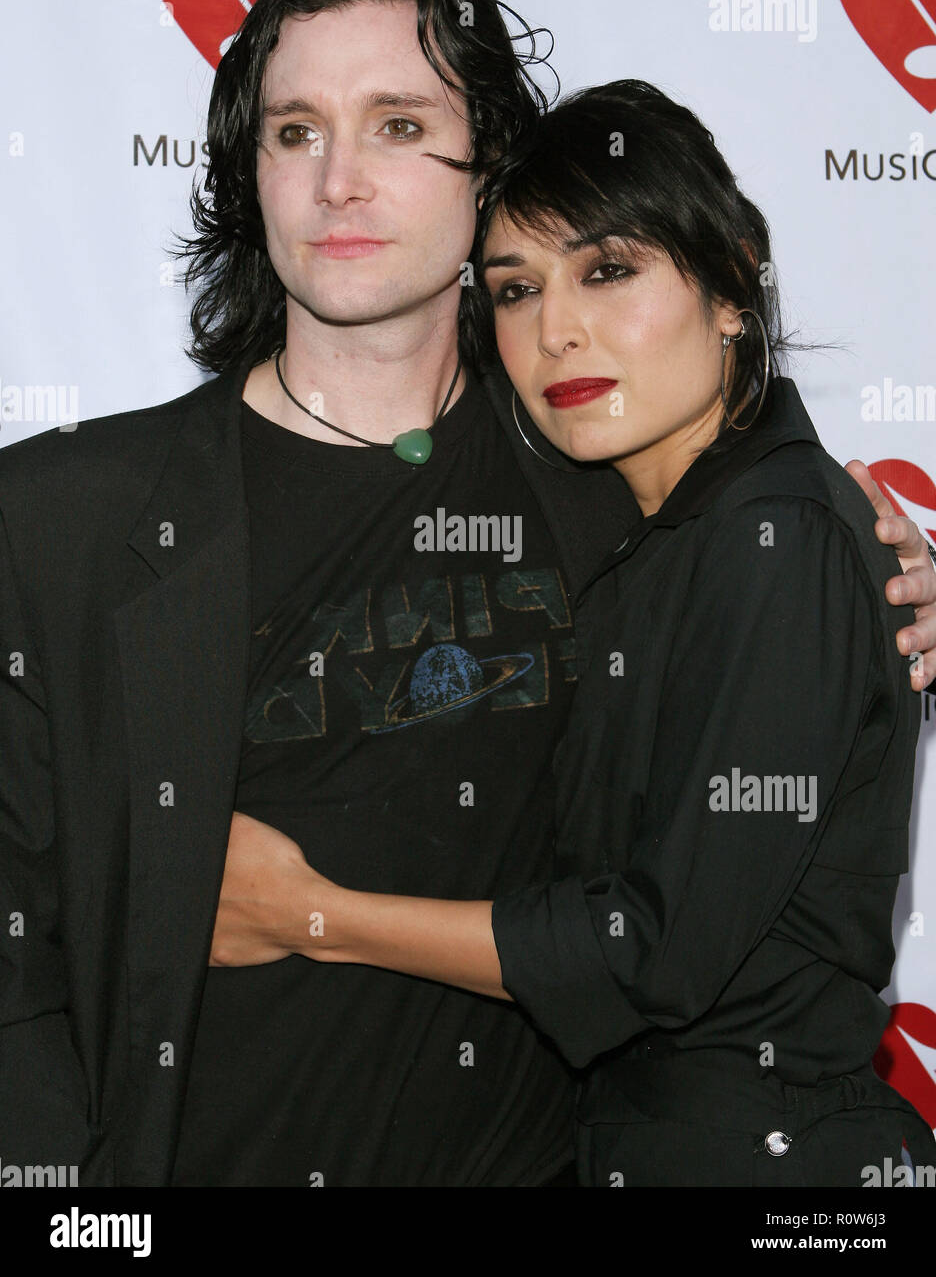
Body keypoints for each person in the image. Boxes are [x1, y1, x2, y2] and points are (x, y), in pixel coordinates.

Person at [0, 0, 933, 1189]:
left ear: (485, 168)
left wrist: (891, 580)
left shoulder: (621, 478)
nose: (337, 180)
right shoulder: (63, 517)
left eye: (395, 125)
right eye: (293, 131)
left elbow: (775, 638)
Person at [215, 79, 936, 1188]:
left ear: (734, 277)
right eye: (515, 289)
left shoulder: (776, 536)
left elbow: (651, 951)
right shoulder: (648, 532)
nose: (557, 329)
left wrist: (313, 914)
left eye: (609, 269)